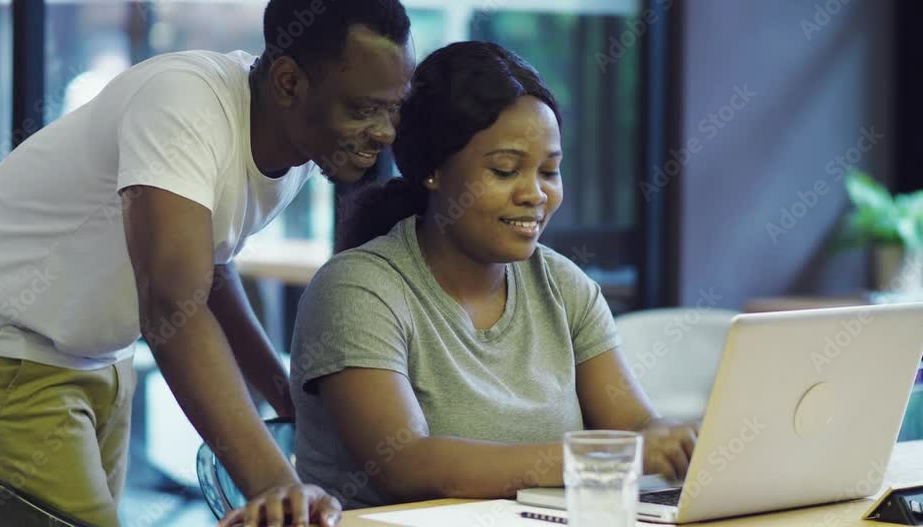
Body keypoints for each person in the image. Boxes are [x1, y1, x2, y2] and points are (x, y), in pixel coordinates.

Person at [0, 1, 414, 525]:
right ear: (289, 83)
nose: (384, 132)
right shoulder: (185, 104)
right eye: (362, 109)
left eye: (394, 108)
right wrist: (279, 488)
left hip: (98, 357)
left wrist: (282, 393)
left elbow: (207, 267)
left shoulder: (294, 140)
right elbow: (170, 304)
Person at [289, 41, 699, 509]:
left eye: (550, 171)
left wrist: (676, 441)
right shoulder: (358, 290)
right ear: (433, 171)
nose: (535, 194)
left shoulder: (565, 288)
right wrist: (612, 456)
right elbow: (405, 465)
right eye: (505, 170)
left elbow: (637, 427)